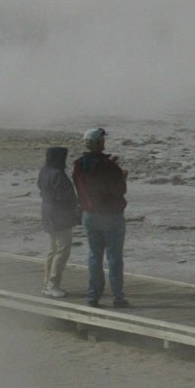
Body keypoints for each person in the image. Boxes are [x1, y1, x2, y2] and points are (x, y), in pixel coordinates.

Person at [71, 127, 130, 308]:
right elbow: (119, 190)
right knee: (114, 258)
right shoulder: (108, 166)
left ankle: (93, 297)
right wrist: (122, 176)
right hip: (111, 216)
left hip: (89, 215)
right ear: (98, 143)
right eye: (102, 140)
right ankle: (117, 297)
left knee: (94, 257)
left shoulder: (78, 165)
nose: (104, 143)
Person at [37, 145, 79, 298]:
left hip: (47, 211)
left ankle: (46, 283)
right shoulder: (58, 174)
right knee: (62, 249)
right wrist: (75, 211)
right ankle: (53, 284)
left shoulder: (44, 171)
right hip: (59, 214)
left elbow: (40, 187)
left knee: (52, 249)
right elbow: (66, 196)